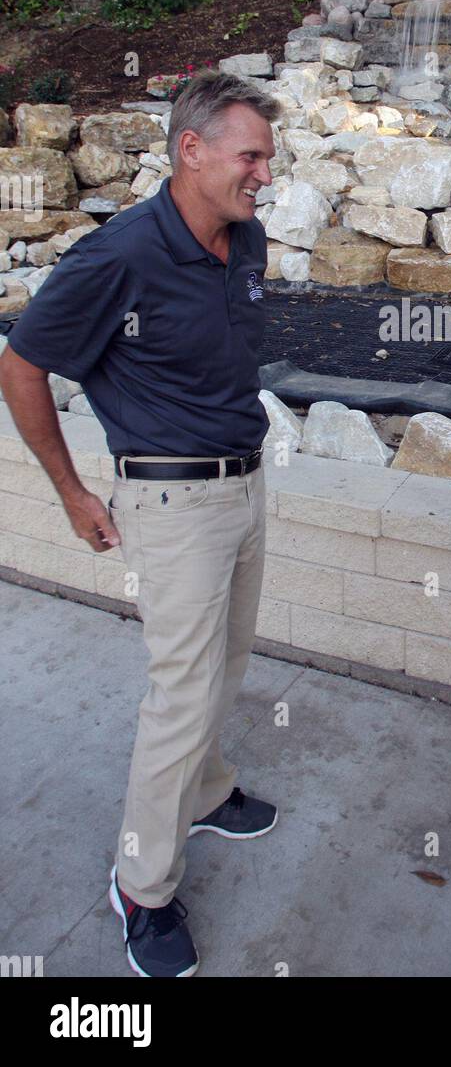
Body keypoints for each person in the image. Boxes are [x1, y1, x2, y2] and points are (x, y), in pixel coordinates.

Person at [0, 70, 282, 977]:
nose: (264, 174)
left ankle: (205, 790)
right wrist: (72, 490)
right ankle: (141, 886)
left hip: (244, 489)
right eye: (250, 155)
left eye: (269, 158)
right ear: (190, 150)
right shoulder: (117, 255)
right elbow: (22, 363)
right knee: (179, 696)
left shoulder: (245, 242)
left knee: (227, 665)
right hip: (170, 505)